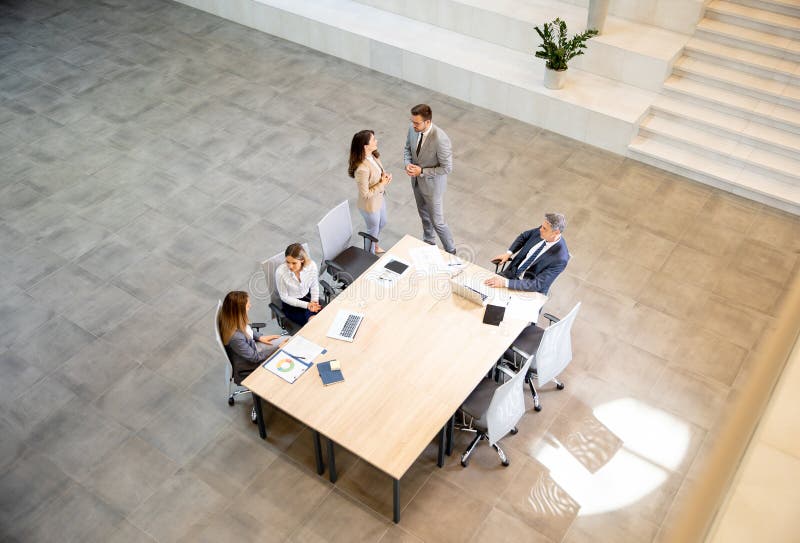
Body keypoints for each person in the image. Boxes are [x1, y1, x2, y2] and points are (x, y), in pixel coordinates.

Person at [403, 103, 456, 254]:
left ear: (427, 122)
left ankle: (451, 250)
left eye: (417, 123)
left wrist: (421, 171)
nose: (413, 125)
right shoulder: (412, 129)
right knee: (424, 215)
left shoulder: (440, 139)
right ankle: (428, 241)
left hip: (433, 187)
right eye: (412, 121)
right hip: (417, 182)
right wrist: (407, 164)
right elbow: (407, 149)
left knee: (438, 222)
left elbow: (447, 168)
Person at [484, 213, 570, 295]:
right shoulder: (543, 230)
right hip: (511, 273)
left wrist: (505, 283)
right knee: (484, 287)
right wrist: (508, 254)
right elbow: (524, 236)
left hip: (527, 287)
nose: (540, 229)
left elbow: (537, 284)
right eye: (542, 226)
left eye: (544, 229)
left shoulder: (561, 259)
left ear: (556, 232)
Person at [219, 291, 285, 379]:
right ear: (239, 311)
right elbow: (255, 358)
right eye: (247, 305)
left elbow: (247, 328)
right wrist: (278, 349)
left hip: (253, 346)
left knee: (288, 341)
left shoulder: (233, 320)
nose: (250, 306)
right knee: (287, 345)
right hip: (253, 358)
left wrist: (260, 337)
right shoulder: (236, 338)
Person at [349, 129, 392, 254]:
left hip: (379, 198)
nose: (376, 141)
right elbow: (365, 194)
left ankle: (375, 245)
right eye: (373, 140)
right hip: (370, 205)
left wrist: (384, 176)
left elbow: (378, 171)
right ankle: (369, 254)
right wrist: (382, 184)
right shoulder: (362, 169)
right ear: (365, 146)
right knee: (372, 231)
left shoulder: (373, 156)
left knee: (382, 222)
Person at [275, 243, 321, 326]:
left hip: (309, 298)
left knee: (322, 318)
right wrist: (307, 305)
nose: (290, 266)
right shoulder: (280, 272)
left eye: (294, 263)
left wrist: (314, 302)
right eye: (287, 262)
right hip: (292, 305)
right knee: (313, 323)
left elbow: (314, 286)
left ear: (302, 260)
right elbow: (284, 297)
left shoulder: (311, 266)